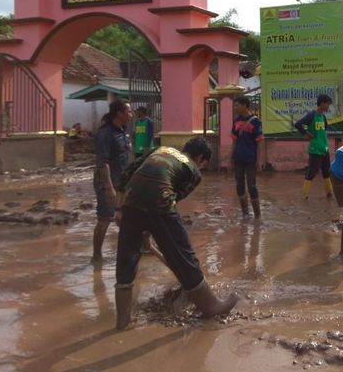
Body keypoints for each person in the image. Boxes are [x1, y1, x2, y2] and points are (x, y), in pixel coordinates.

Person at [114, 138, 238, 329]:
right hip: (160, 202)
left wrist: (119, 210)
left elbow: (125, 177)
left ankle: (123, 321)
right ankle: (211, 306)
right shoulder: (193, 171)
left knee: (126, 259)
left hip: (130, 201)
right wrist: (156, 233)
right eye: (203, 164)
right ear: (200, 159)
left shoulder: (160, 149)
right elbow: (171, 197)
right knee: (183, 255)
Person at [92, 99, 133, 262]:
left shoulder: (123, 131)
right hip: (107, 181)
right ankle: (96, 255)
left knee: (127, 216)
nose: (131, 114)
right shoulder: (105, 134)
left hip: (122, 181)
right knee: (105, 219)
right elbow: (103, 163)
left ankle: (133, 250)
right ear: (119, 113)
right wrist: (109, 188)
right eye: (128, 111)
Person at [295, 94, 334, 199]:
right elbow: (298, 124)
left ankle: (329, 193)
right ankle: (305, 195)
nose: (328, 107)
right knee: (312, 172)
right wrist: (306, 133)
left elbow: (324, 130)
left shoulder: (323, 117)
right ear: (321, 103)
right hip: (315, 149)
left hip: (324, 148)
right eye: (327, 104)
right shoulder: (311, 115)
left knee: (326, 171)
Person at [231, 96, 264, 218]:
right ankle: (245, 214)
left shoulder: (256, 122)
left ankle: (257, 215)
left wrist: (259, 161)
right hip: (238, 157)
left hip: (251, 158)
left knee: (251, 185)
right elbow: (234, 141)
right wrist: (230, 159)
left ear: (245, 105)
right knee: (239, 185)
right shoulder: (236, 121)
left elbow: (259, 142)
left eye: (237, 105)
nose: (235, 107)